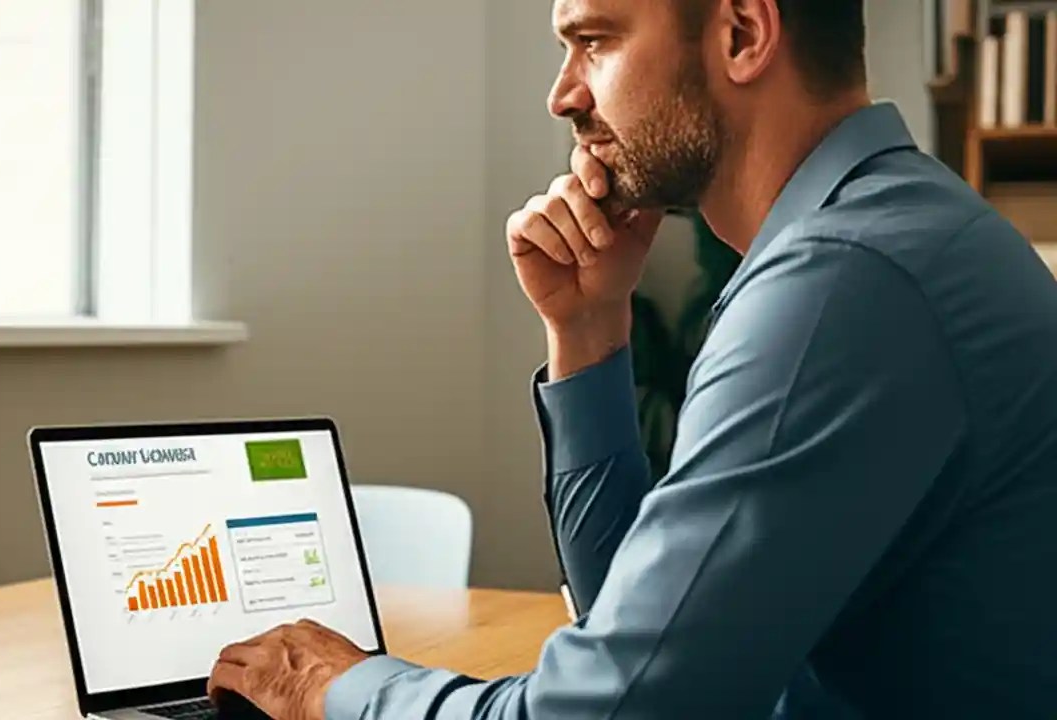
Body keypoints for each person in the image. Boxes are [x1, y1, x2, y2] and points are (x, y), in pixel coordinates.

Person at [207, 0, 1057, 717]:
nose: (562, 94)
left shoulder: (844, 280)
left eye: (595, 41)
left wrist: (335, 687)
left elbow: (617, 708)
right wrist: (587, 331)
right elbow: (649, 636)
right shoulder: (890, 233)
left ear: (742, 34)